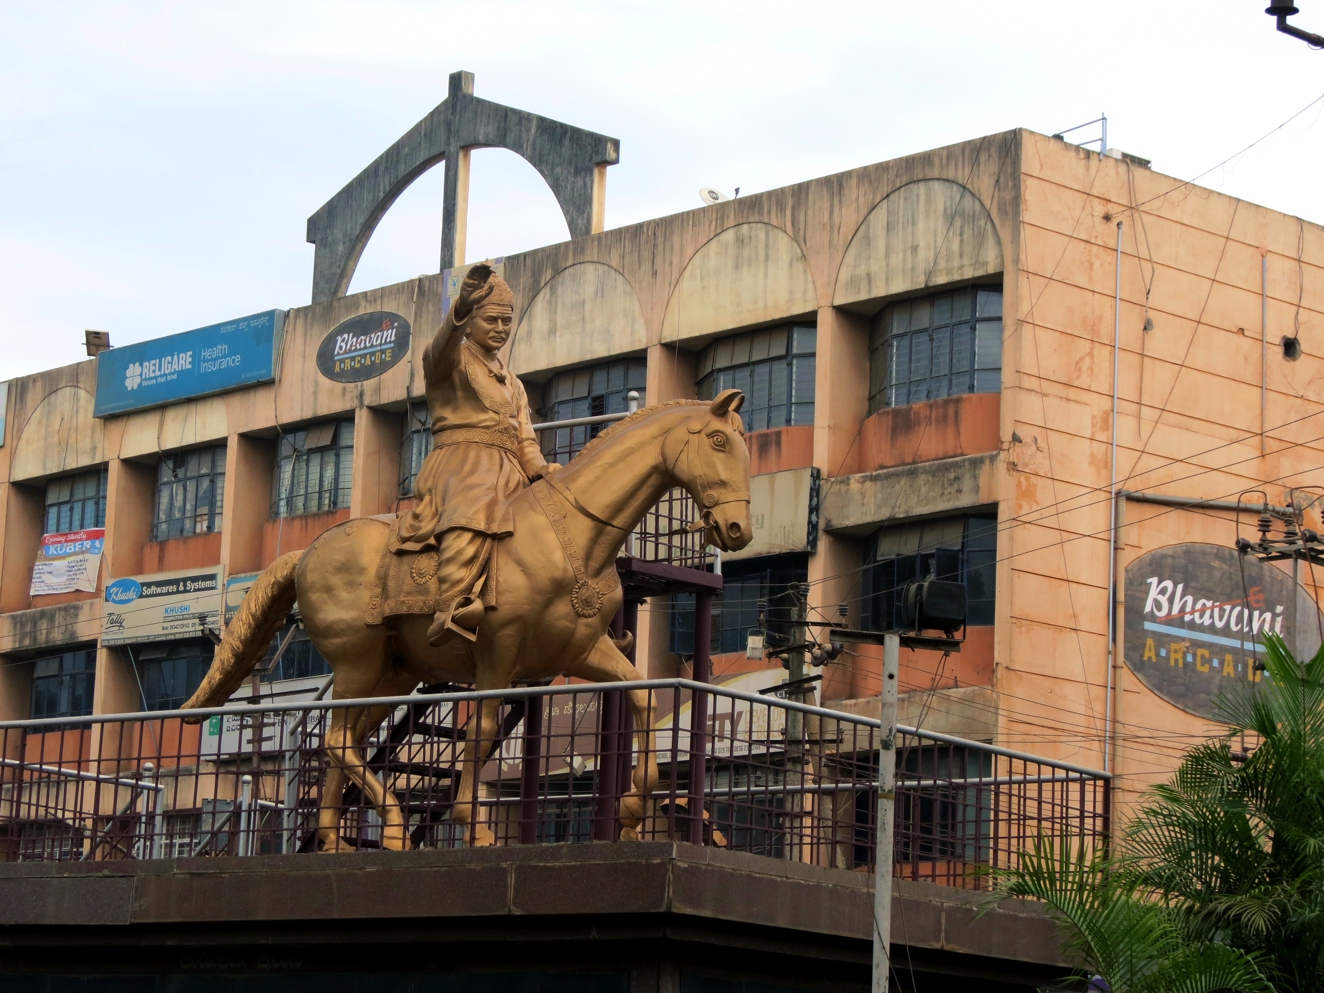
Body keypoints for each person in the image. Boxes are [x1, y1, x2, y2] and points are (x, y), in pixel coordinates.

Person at [388, 263, 556, 643]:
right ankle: (451, 606)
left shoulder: (513, 381)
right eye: (492, 320)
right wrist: (460, 309)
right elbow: (439, 351)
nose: (500, 329)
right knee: (472, 509)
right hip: (462, 463)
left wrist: (542, 471)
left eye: (506, 322)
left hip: (511, 467)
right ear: (472, 321)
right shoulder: (449, 361)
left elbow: (525, 439)